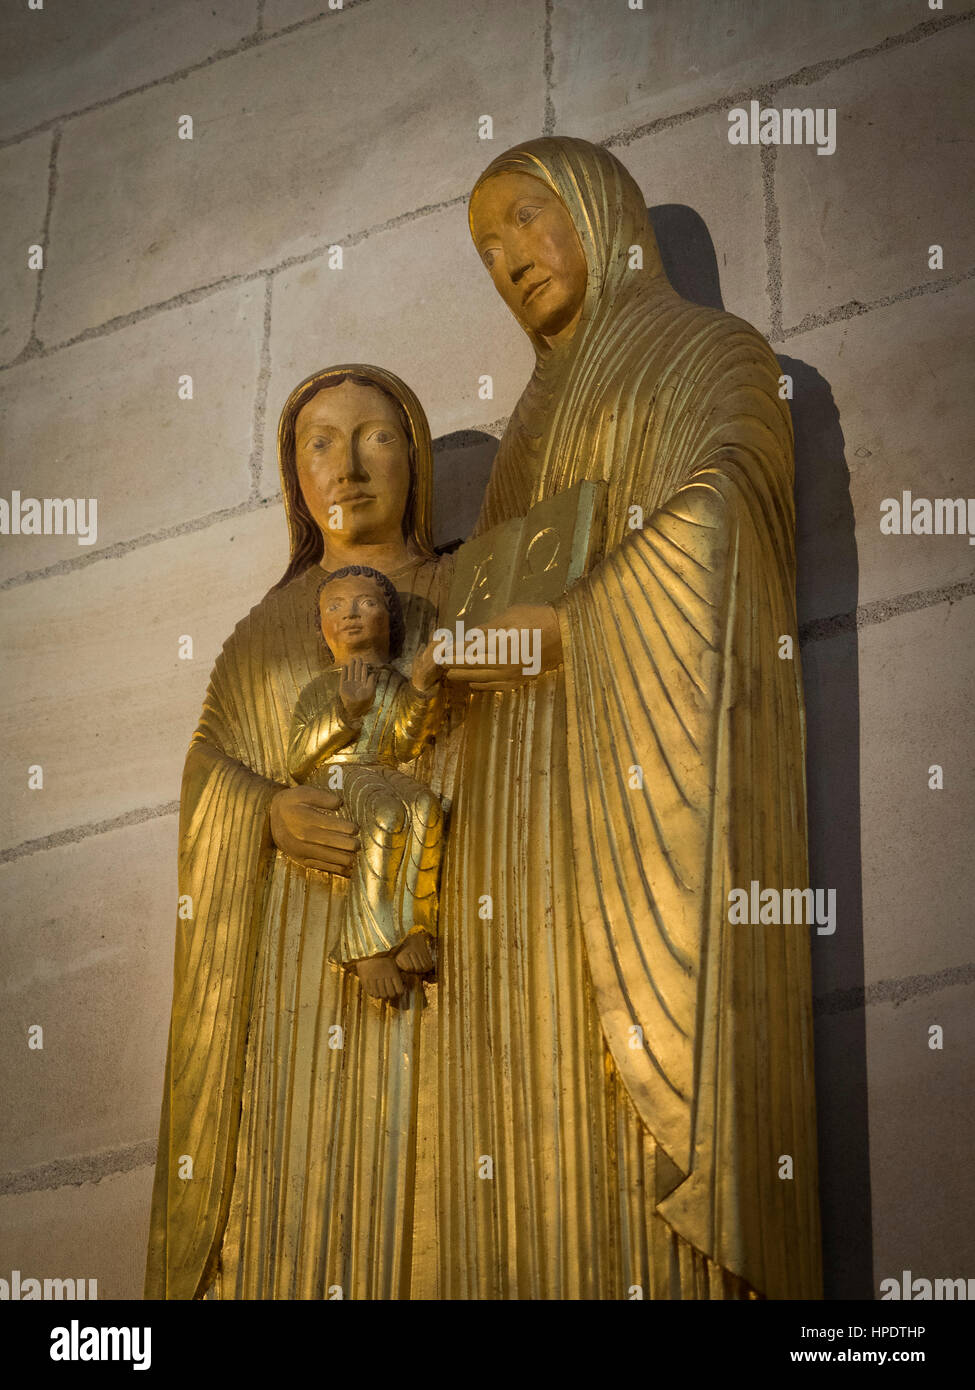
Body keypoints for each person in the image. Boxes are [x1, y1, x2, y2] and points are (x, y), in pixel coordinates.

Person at [430, 136, 822, 1299]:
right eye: (485, 249)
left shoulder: (712, 351)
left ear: (601, 210)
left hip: (642, 771)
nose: (506, 261)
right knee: (530, 1102)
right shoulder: (519, 449)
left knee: (635, 1108)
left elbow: (726, 509)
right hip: (515, 809)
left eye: (523, 220)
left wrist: (579, 625)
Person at [146, 366, 452, 1299]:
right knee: (305, 1179)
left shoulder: (463, 583)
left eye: (375, 436)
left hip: (431, 900)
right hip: (290, 950)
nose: (348, 466)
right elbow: (209, 772)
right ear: (293, 474)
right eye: (319, 441)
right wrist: (268, 812)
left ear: (414, 455)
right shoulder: (263, 631)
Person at [287, 565, 443, 999]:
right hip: (335, 774)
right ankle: (368, 947)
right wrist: (346, 711)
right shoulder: (320, 687)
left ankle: (414, 925)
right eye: (335, 607)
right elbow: (297, 760)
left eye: (366, 603)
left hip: (380, 767)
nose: (350, 614)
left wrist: (422, 686)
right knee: (387, 815)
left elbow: (405, 743)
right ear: (322, 626)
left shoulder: (392, 680)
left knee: (426, 807)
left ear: (389, 622)